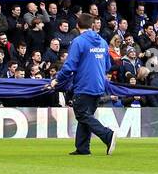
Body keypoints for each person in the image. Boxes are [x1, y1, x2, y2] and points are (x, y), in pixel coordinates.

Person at [47, 12, 117, 156]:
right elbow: (108, 65)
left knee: (82, 114)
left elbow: (69, 66)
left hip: (84, 84)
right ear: (92, 25)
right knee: (86, 114)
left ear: (77, 25)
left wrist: (57, 79)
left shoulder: (78, 41)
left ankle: (107, 135)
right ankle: (82, 148)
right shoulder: (103, 42)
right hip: (98, 84)